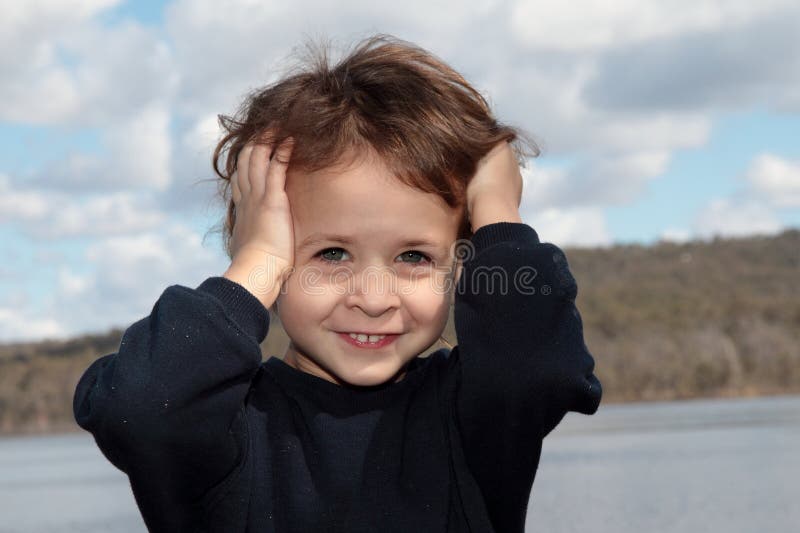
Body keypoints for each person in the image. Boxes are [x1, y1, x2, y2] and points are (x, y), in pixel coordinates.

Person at [73, 34, 602, 533]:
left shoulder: (474, 418)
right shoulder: (225, 432)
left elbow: (541, 369)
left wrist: (497, 213)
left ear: (462, 265)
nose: (373, 299)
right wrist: (257, 259)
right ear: (271, 259)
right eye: (331, 254)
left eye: (414, 257)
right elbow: (139, 408)